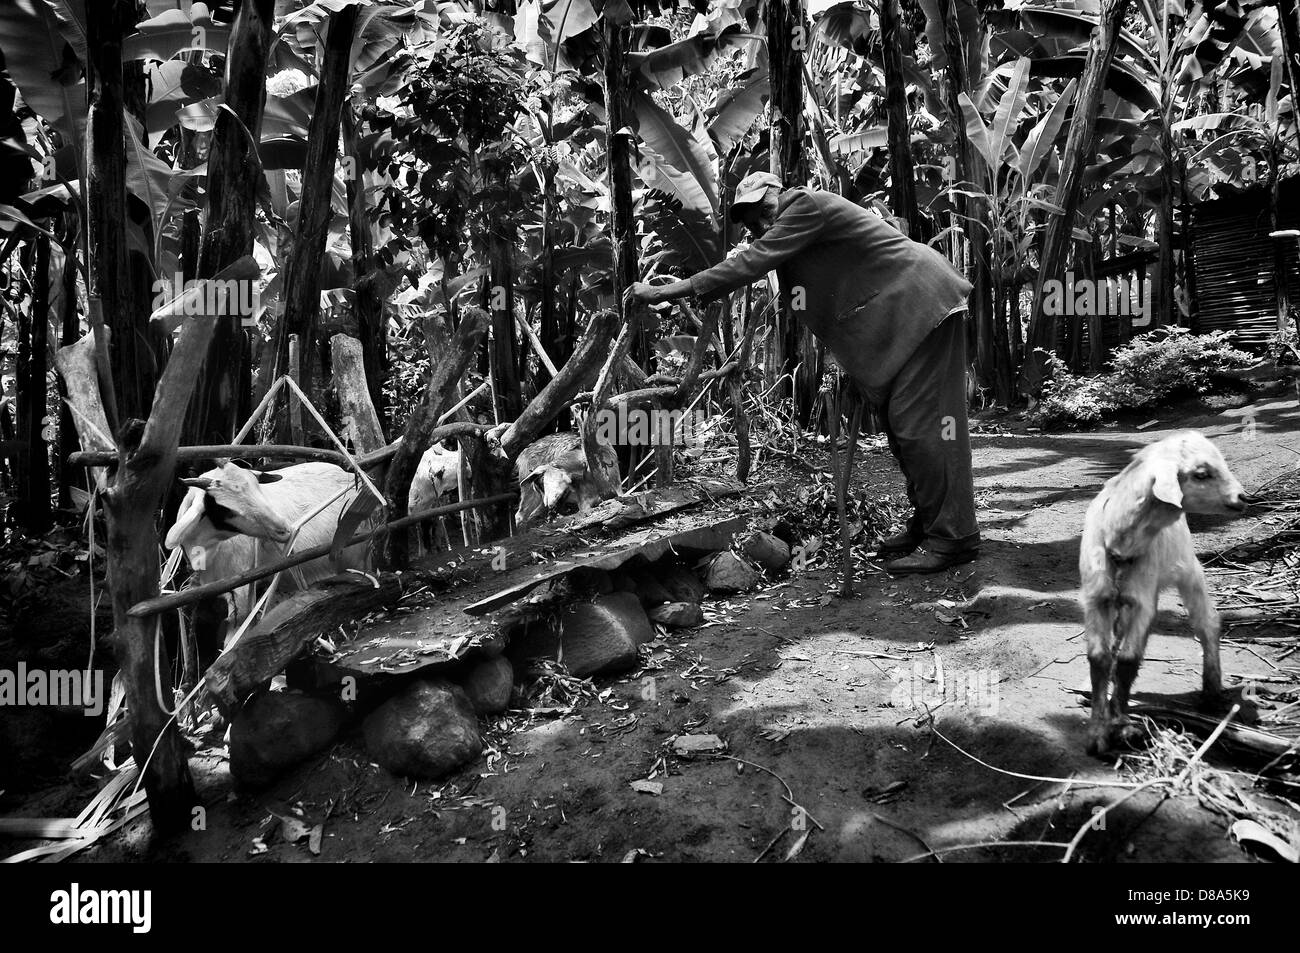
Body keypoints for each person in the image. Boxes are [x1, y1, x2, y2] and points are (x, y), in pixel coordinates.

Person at [624, 171, 979, 573]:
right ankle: (930, 523)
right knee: (903, 428)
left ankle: (952, 538)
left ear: (779, 192)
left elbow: (751, 263)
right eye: (750, 219)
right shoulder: (794, 230)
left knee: (924, 427)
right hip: (904, 320)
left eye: (762, 209)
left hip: (923, 305)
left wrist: (667, 291)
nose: (759, 223)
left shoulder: (805, 205)